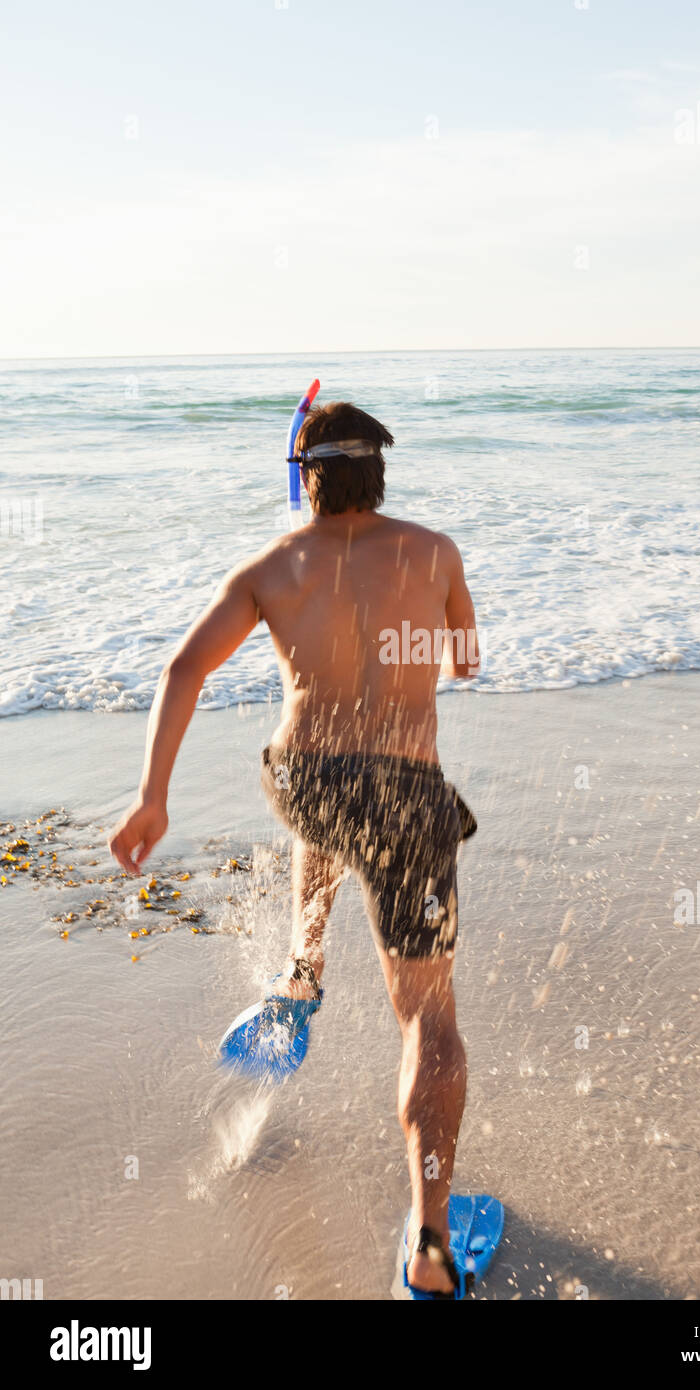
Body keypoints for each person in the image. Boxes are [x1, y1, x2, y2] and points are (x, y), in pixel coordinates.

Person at [108, 400, 481, 1296]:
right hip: (404, 797)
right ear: (380, 471)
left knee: (328, 801)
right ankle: (429, 1257)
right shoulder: (434, 551)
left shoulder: (273, 566)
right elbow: (465, 658)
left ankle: (301, 970)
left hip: (304, 785)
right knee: (428, 1024)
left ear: (301, 475)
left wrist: (152, 796)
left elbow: (183, 670)